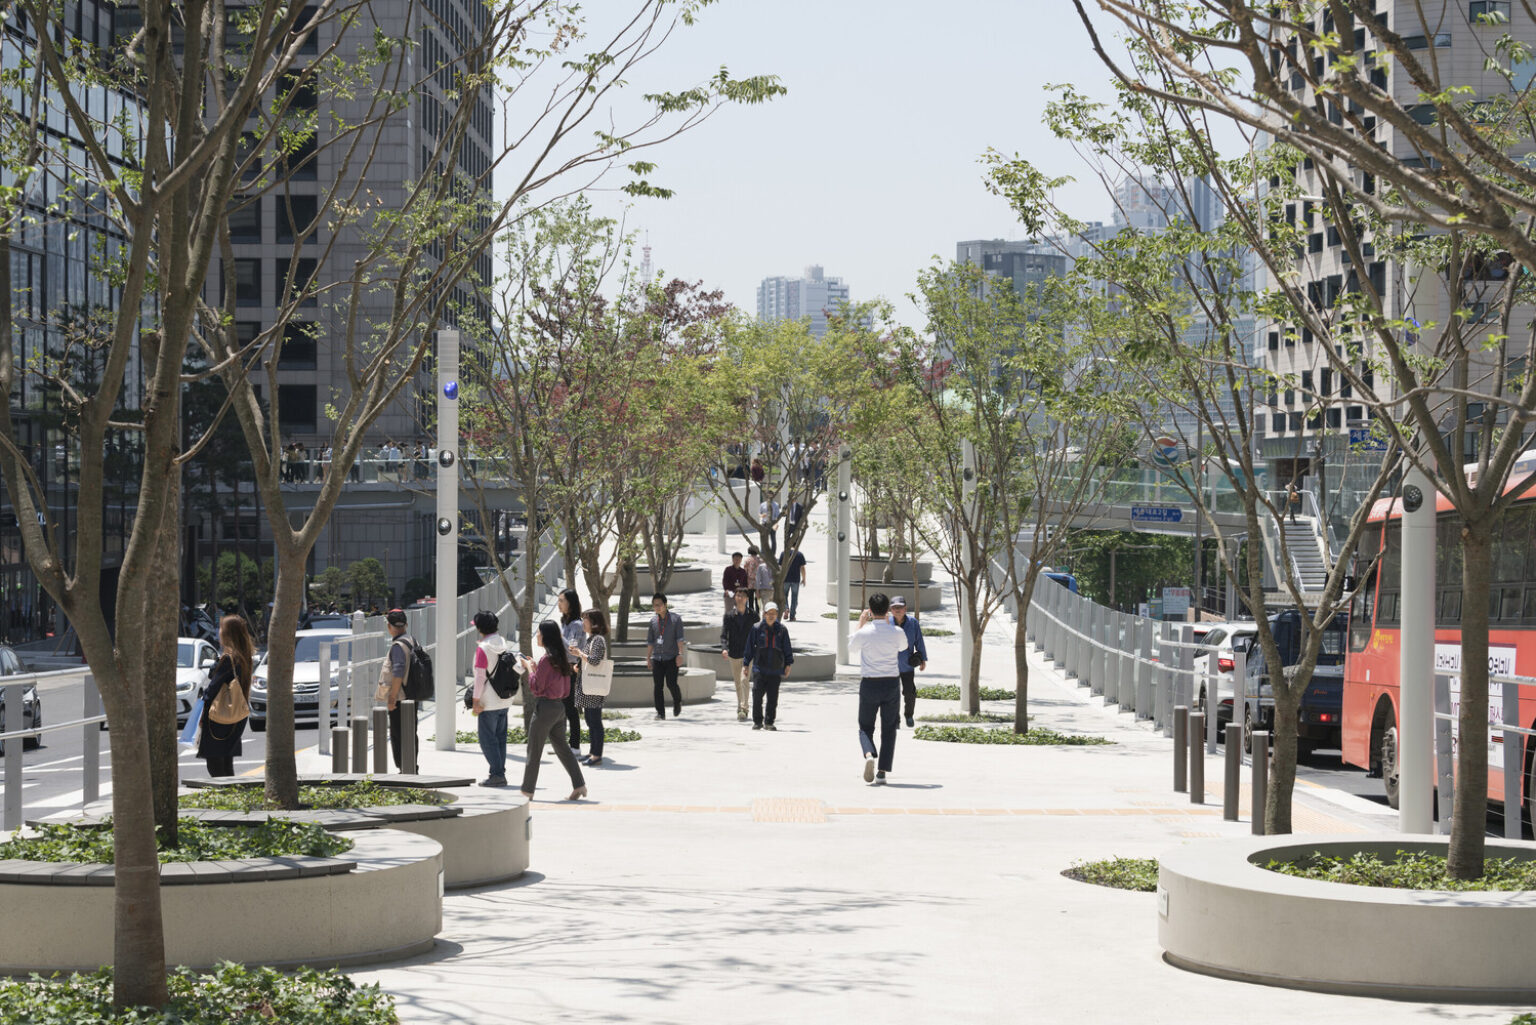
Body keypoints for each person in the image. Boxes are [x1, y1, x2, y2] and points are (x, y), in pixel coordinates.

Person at [519, 620, 588, 800]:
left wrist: (529, 668)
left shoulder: (546, 659)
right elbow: (560, 685)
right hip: (559, 707)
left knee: (534, 749)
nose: (537, 636)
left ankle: (527, 790)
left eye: (539, 633)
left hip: (545, 708)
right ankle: (579, 784)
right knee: (562, 748)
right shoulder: (560, 658)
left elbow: (535, 687)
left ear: (546, 636)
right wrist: (535, 669)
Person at [849, 592, 909, 785]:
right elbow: (903, 647)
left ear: (870, 610)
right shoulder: (896, 632)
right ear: (888, 610)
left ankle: (868, 754)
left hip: (869, 683)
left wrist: (860, 622)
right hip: (891, 683)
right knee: (889, 728)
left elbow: (851, 647)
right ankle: (882, 771)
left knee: (865, 726)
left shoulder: (865, 632)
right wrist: (891, 624)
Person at [197, 614, 255, 777]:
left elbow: (212, 690)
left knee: (215, 764)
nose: (218, 632)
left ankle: (223, 798)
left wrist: (200, 714)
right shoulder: (244, 657)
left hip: (218, 718)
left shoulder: (228, 659)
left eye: (221, 629)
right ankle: (231, 798)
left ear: (228, 634)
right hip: (238, 715)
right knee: (227, 763)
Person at [470, 610, 514, 786]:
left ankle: (497, 774)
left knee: (487, 740)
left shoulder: (483, 648)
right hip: (504, 698)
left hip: (488, 700)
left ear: (481, 628)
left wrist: (475, 700)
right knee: (500, 738)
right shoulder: (502, 643)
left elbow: (480, 676)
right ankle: (498, 772)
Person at [378, 609, 420, 768]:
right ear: (406, 624)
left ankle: (404, 767)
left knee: (398, 734)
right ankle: (412, 766)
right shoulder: (412, 640)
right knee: (411, 732)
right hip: (413, 693)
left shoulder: (397, 646)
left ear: (389, 626)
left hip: (400, 696)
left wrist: (392, 697)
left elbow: (398, 672)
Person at [743, 601, 793, 730]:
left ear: (777, 614)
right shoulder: (756, 628)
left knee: (772, 698)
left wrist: (788, 664)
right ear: (764, 614)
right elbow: (749, 647)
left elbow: (787, 648)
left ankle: (769, 722)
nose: (771, 616)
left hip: (775, 670)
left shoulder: (782, 630)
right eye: (769, 613)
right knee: (757, 696)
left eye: (774, 613)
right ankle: (757, 721)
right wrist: (746, 664)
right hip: (759, 668)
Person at [571, 609, 610, 766]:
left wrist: (580, 653)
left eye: (585, 619)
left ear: (594, 622)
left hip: (594, 687)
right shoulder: (591, 639)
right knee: (590, 720)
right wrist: (578, 664)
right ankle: (593, 752)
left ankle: (597, 755)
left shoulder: (598, 640)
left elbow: (594, 661)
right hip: (588, 687)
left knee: (594, 721)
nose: (583, 623)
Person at [889, 595, 929, 729]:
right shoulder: (886, 623)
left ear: (905, 608)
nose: (898, 610)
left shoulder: (913, 623)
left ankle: (909, 715)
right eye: (895, 608)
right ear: (890, 609)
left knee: (909, 692)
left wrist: (923, 658)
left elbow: (919, 641)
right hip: (890, 666)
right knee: (892, 694)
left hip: (907, 665)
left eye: (900, 607)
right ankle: (895, 720)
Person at [645, 593, 687, 719]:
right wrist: (648, 658)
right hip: (657, 658)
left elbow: (680, 638)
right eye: (654, 605)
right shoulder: (653, 621)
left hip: (672, 657)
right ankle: (660, 713)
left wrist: (680, 654)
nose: (657, 607)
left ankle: (677, 701)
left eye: (659, 605)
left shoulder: (676, 619)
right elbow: (650, 641)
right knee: (658, 686)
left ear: (665, 604)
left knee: (671, 683)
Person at [719, 588, 758, 721]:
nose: (740, 597)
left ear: (747, 598)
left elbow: (758, 634)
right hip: (733, 653)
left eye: (742, 595)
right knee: (737, 682)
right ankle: (739, 705)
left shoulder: (753, 616)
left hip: (748, 654)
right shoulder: (729, 616)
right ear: (735, 598)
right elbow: (724, 635)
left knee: (744, 680)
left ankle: (744, 709)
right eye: (738, 595)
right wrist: (724, 648)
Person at [557, 589, 585, 754]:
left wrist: (556, 636)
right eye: (558, 600)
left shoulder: (577, 625)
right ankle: (564, 744)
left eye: (562, 600)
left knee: (570, 708)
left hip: (571, 669)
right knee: (561, 709)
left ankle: (575, 746)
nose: (559, 604)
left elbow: (572, 649)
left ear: (571, 603)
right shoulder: (564, 622)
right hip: (561, 669)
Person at [782, 545, 808, 622]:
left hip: (785, 579)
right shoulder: (799, 554)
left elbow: (780, 566)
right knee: (794, 598)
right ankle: (792, 616)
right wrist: (804, 579)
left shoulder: (784, 554)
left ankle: (786, 608)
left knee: (784, 595)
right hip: (795, 580)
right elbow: (802, 568)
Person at [741, 547, 763, 613]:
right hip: (758, 583)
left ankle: (751, 613)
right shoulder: (761, 560)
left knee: (750, 599)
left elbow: (745, 572)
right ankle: (757, 613)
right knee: (758, 599)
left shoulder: (747, 560)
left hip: (749, 582)